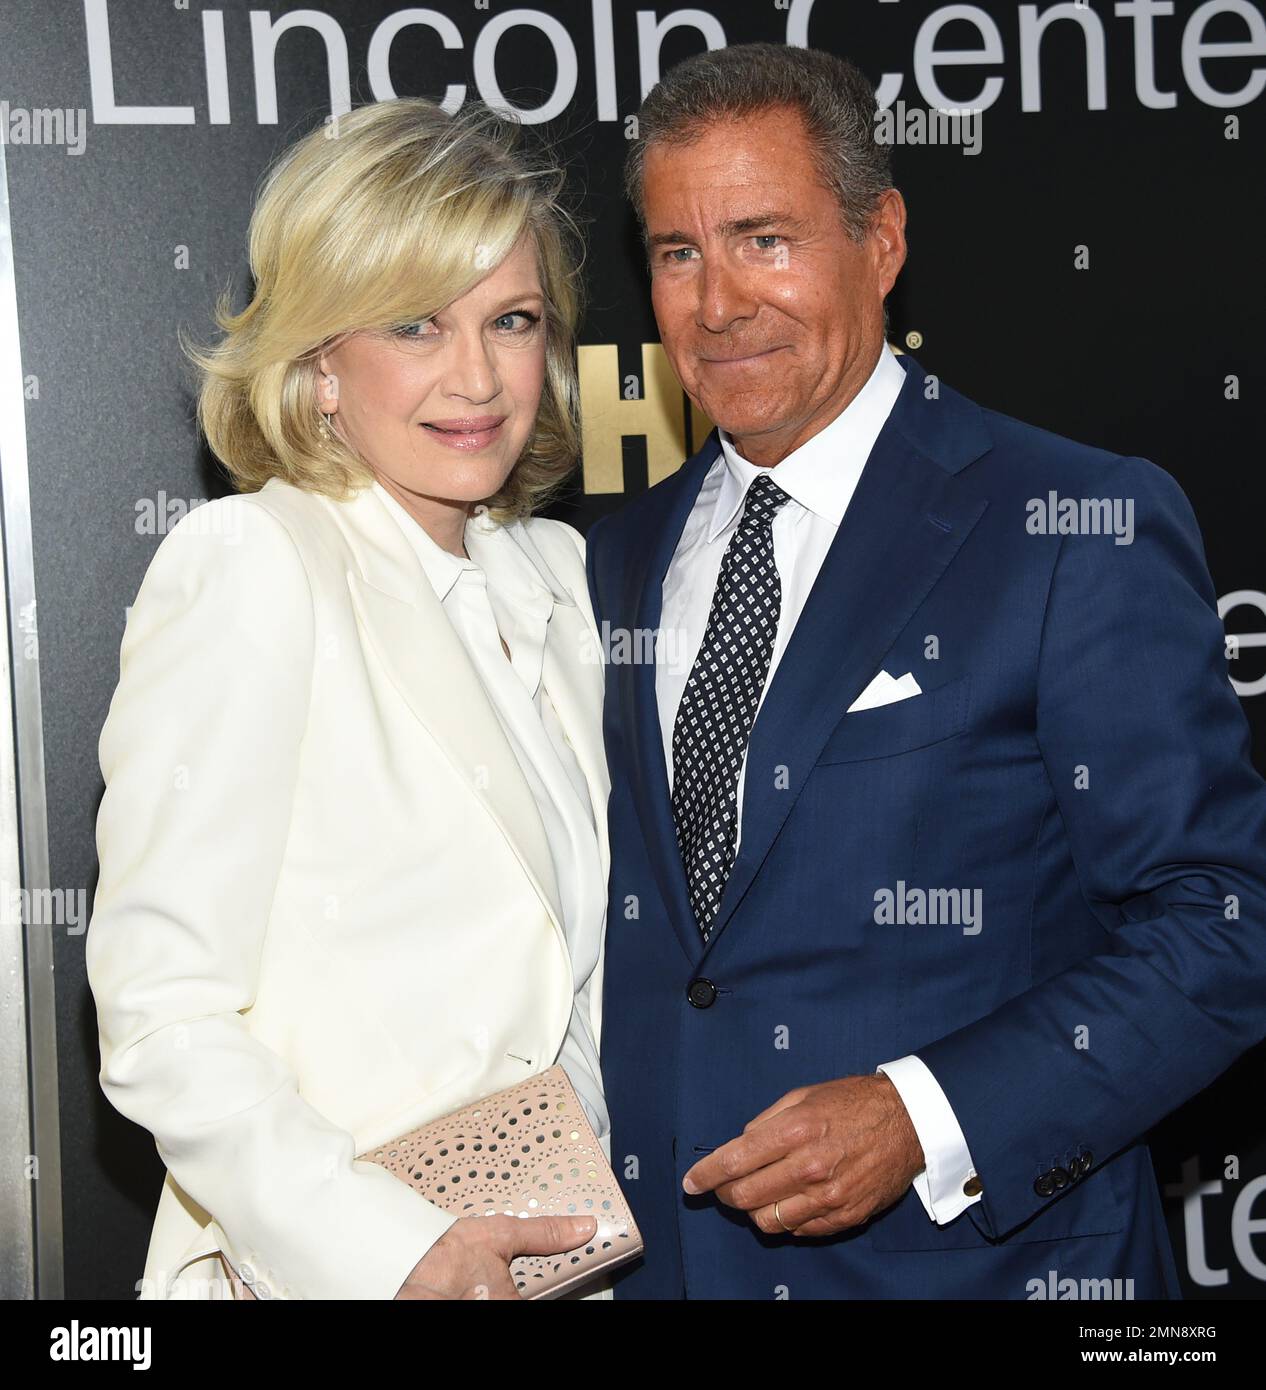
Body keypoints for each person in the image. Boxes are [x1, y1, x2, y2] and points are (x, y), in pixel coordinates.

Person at [584, 41, 1266, 1299]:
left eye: (765, 239)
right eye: (678, 253)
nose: (717, 302)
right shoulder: (611, 559)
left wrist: (925, 1113)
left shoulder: (1072, 524)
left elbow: (1225, 924)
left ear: (881, 239)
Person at [86, 97, 611, 1301]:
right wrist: (390, 1251)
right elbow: (161, 1015)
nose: (476, 375)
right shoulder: (255, 564)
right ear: (321, 362)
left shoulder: (550, 580)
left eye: (512, 320)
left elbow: (559, 992)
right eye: (415, 323)